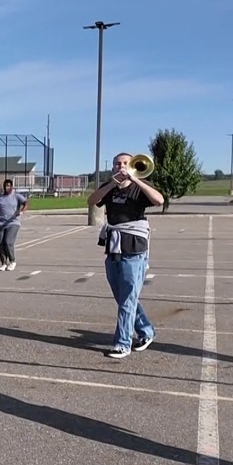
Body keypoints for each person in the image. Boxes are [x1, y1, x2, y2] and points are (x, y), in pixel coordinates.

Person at [87, 152, 164, 359]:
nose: (120, 167)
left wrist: (136, 179)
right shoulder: (109, 188)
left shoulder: (138, 188)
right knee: (123, 297)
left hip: (134, 249)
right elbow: (92, 200)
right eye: (116, 163)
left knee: (128, 297)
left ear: (132, 166)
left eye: (124, 163)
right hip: (113, 247)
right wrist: (111, 185)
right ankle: (146, 331)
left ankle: (123, 343)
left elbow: (159, 200)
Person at [0, 179, 28, 271]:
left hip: (13, 222)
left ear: (12, 187)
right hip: (1, 223)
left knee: (8, 242)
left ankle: (12, 261)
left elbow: (26, 203)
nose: (6, 187)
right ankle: (3, 263)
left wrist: (22, 211)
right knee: (0, 243)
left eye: (8, 186)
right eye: (5, 186)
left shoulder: (16, 196)